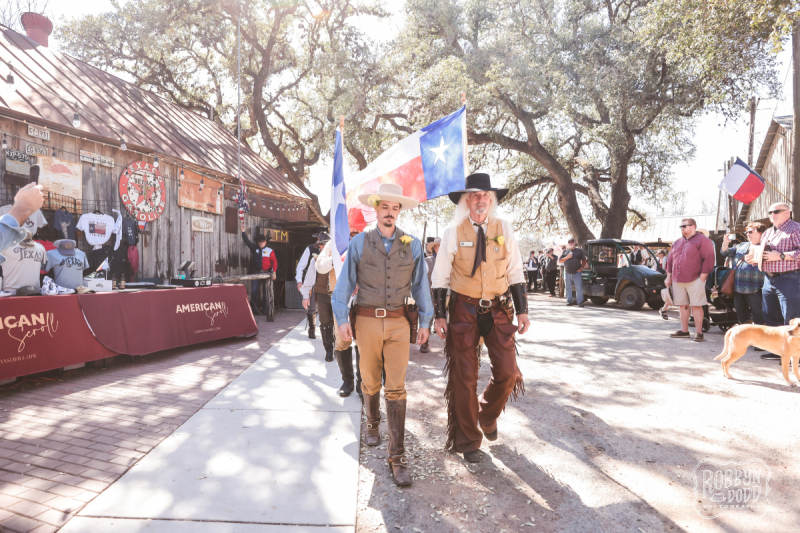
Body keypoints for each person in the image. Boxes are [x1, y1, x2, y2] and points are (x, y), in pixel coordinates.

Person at [332, 183, 432, 487]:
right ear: (376, 210)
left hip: (400, 322)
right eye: (384, 208)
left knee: (397, 387)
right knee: (370, 380)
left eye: (394, 208)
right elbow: (344, 285)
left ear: (399, 211)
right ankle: (373, 421)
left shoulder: (412, 244)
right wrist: (340, 319)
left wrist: (426, 320)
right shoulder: (360, 243)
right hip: (366, 321)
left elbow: (421, 286)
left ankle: (397, 456)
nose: (389, 213)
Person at [431, 172, 529, 464]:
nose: (480, 200)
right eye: (474, 195)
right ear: (465, 201)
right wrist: (439, 315)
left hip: (499, 308)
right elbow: (440, 277)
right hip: (464, 309)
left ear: (492, 200)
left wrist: (522, 309)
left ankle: (487, 415)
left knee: (509, 371)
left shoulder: (504, 228)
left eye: (485, 195)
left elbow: (515, 271)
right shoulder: (453, 232)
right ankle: (468, 440)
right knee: (464, 377)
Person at [746, 202, 800, 360]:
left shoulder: (795, 229)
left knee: (791, 318)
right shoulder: (768, 232)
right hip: (769, 279)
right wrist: (754, 259)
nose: (772, 214)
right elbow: (763, 253)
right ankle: (778, 351)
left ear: (787, 212)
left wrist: (782, 256)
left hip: (789, 278)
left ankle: (795, 354)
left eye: (776, 211)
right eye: (770, 212)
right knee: (771, 316)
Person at [665, 218, 715, 342]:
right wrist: (668, 276)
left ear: (693, 227)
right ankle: (684, 331)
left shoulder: (703, 240)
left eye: (684, 226)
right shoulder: (677, 242)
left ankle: (699, 333)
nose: (682, 229)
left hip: (695, 279)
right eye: (681, 227)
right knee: (682, 306)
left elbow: (709, 259)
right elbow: (670, 260)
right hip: (678, 279)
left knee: (697, 306)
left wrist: (702, 278)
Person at [299, 232, 336, 362]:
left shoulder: (338, 259)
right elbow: (309, 279)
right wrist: (305, 296)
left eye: (323, 245)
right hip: (322, 296)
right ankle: (329, 350)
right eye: (320, 245)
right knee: (325, 323)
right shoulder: (315, 260)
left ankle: (337, 346)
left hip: (337, 295)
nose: (321, 247)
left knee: (337, 323)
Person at [721, 224, 765, 328]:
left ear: (761, 233)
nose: (747, 234)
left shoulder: (767, 246)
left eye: (751, 232)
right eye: (747, 232)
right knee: (742, 318)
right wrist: (725, 242)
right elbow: (725, 253)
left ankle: (759, 343)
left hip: (756, 288)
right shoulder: (742, 245)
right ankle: (747, 340)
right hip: (738, 288)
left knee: (759, 318)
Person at [0, 184, 44, 261]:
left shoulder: (36, 211)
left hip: (29, 241)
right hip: (10, 242)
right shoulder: (3, 209)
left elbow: (40, 225)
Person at [241, 224, 278, 311]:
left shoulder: (270, 251)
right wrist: (243, 232)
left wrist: (274, 271)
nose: (261, 243)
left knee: (266, 292)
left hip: (266, 273)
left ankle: (266, 309)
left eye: (263, 242)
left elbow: (274, 262)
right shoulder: (254, 248)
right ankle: (254, 309)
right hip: (256, 273)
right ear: (258, 242)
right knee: (254, 291)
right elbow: (247, 242)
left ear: (265, 242)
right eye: (260, 242)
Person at [296, 234, 325, 339]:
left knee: (325, 309)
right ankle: (312, 329)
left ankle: (326, 332)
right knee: (311, 308)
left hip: (326, 284)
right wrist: (299, 280)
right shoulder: (310, 249)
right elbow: (301, 266)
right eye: (320, 241)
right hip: (312, 281)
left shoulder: (332, 251)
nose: (320, 244)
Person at [420, 237, 441, 353]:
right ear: (434, 248)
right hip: (431, 294)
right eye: (437, 247)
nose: (439, 249)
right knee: (427, 318)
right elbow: (421, 277)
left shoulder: (449, 262)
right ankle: (424, 342)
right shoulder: (428, 261)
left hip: (446, 295)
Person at [558, 238, 586, 306]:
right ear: (568, 244)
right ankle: (569, 301)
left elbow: (584, 260)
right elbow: (560, 260)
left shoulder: (579, 251)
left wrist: (581, 268)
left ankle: (580, 302)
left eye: (572, 242)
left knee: (578, 287)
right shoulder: (565, 251)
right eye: (569, 243)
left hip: (577, 272)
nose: (571, 244)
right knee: (568, 287)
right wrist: (567, 257)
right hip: (567, 272)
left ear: (574, 243)